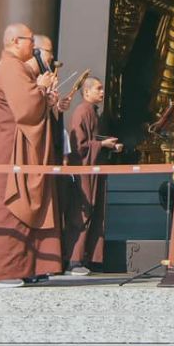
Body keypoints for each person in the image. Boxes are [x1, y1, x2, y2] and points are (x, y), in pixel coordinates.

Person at [0, 23, 68, 286]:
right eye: (30, 42)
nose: (34, 48)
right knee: (8, 209)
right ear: (16, 41)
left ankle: (21, 269)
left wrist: (46, 97)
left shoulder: (15, 67)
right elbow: (26, 111)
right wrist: (40, 89)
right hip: (7, 153)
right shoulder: (11, 67)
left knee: (22, 209)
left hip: (17, 151)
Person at [64, 76, 121, 275]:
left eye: (102, 88)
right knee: (82, 214)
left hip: (94, 170)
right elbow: (79, 146)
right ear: (86, 92)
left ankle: (90, 259)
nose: (102, 92)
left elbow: (93, 140)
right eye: (98, 89)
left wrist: (108, 145)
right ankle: (74, 260)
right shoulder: (82, 111)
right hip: (84, 172)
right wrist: (101, 145)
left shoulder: (93, 113)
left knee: (95, 213)